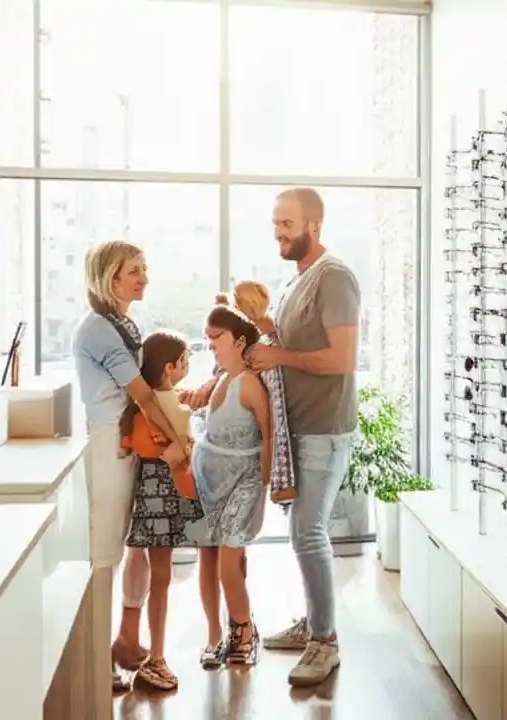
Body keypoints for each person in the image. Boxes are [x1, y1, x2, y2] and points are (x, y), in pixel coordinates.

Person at [245, 188, 361, 687]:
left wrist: (279, 357)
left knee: (308, 535)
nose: (278, 233)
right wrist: (262, 326)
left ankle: (325, 643)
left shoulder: (334, 279)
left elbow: (342, 360)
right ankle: (315, 625)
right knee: (301, 536)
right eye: (275, 223)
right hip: (301, 431)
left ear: (315, 224)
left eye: (287, 224)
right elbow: (293, 342)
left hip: (323, 431)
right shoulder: (299, 281)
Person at [71, 240, 189, 694]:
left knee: (122, 552)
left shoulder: (122, 323)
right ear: (108, 277)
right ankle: (96, 662)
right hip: (108, 449)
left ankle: (119, 644)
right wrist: (176, 446)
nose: (143, 277)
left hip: (126, 447)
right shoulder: (100, 328)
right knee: (105, 556)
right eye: (132, 271)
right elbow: (140, 393)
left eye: (144, 268)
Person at [117, 329, 222, 688]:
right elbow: (182, 448)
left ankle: (158, 655)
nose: (187, 367)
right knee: (203, 556)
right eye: (184, 362)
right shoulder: (171, 407)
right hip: (175, 491)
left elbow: (132, 446)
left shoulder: (141, 408)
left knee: (160, 579)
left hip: (152, 496)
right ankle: (172, 652)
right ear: (169, 367)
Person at [186, 305, 273, 666]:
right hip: (208, 486)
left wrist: (269, 484)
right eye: (206, 338)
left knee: (227, 564)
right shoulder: (221, 377)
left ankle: (244, 630)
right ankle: (215, 635)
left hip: (244, 483)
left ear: (238, 341)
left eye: (215, 338)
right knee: (208, 561)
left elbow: (269, 434)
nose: (210, 345)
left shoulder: (250, 384)